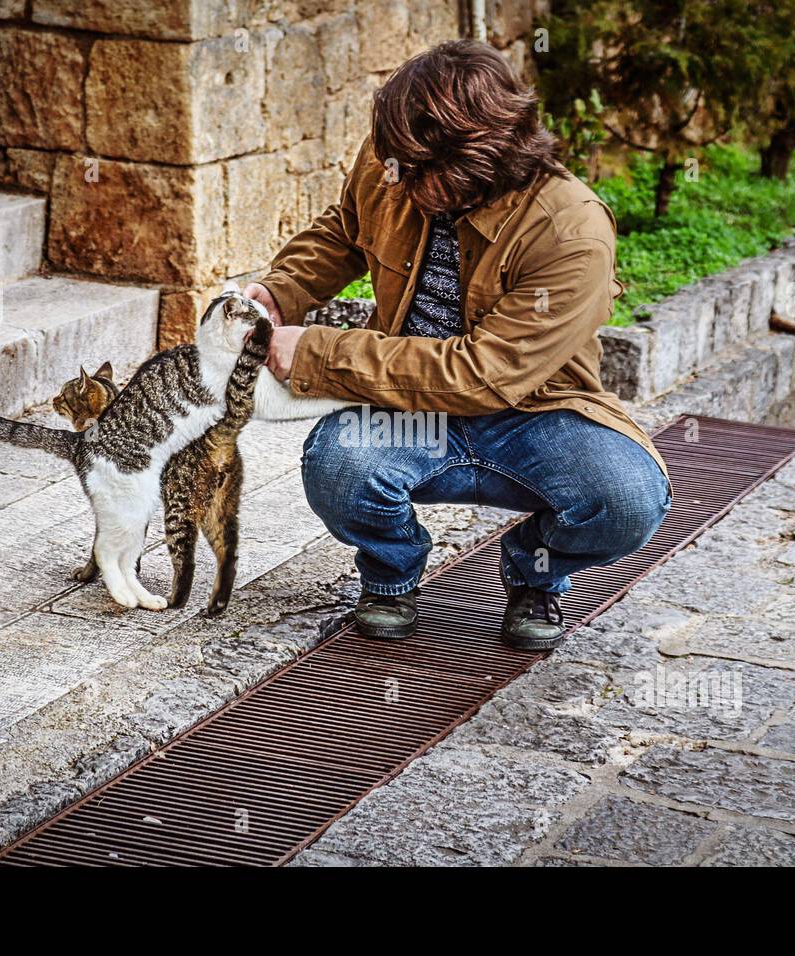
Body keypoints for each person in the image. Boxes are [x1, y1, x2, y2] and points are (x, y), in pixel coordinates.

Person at [245, 40, 669, 651]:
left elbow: (484, 375)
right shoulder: (399, 160)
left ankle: (535, 572)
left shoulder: (571, 229)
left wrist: (313, 352)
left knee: (628, 499)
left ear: (478, 159)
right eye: (391, 163)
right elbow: (345, 231)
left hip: (536, 415)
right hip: (410, 410)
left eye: (412, 171)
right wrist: (277, 294)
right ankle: (391, 577)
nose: (393, 178)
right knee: (338, 466)